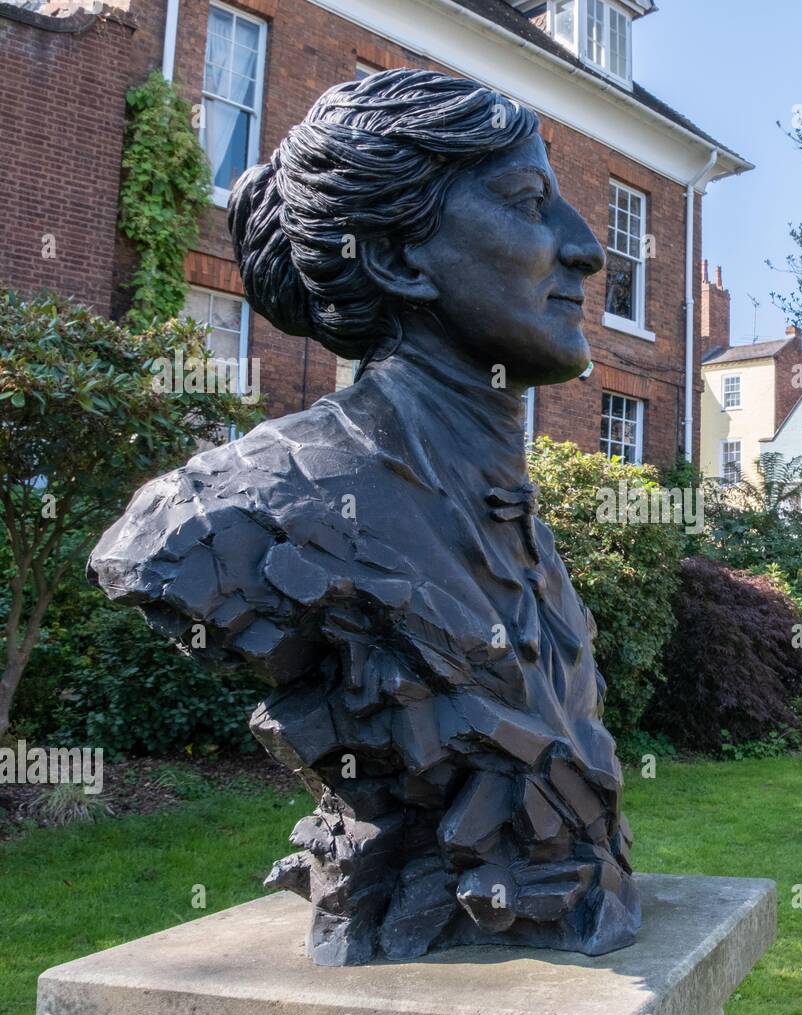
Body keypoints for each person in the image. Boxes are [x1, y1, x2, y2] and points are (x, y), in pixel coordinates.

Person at [90, 69, 640, 965]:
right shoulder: (236, 514)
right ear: (394, 257)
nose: (584, 250)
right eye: (528, 202)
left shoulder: (512, 516)